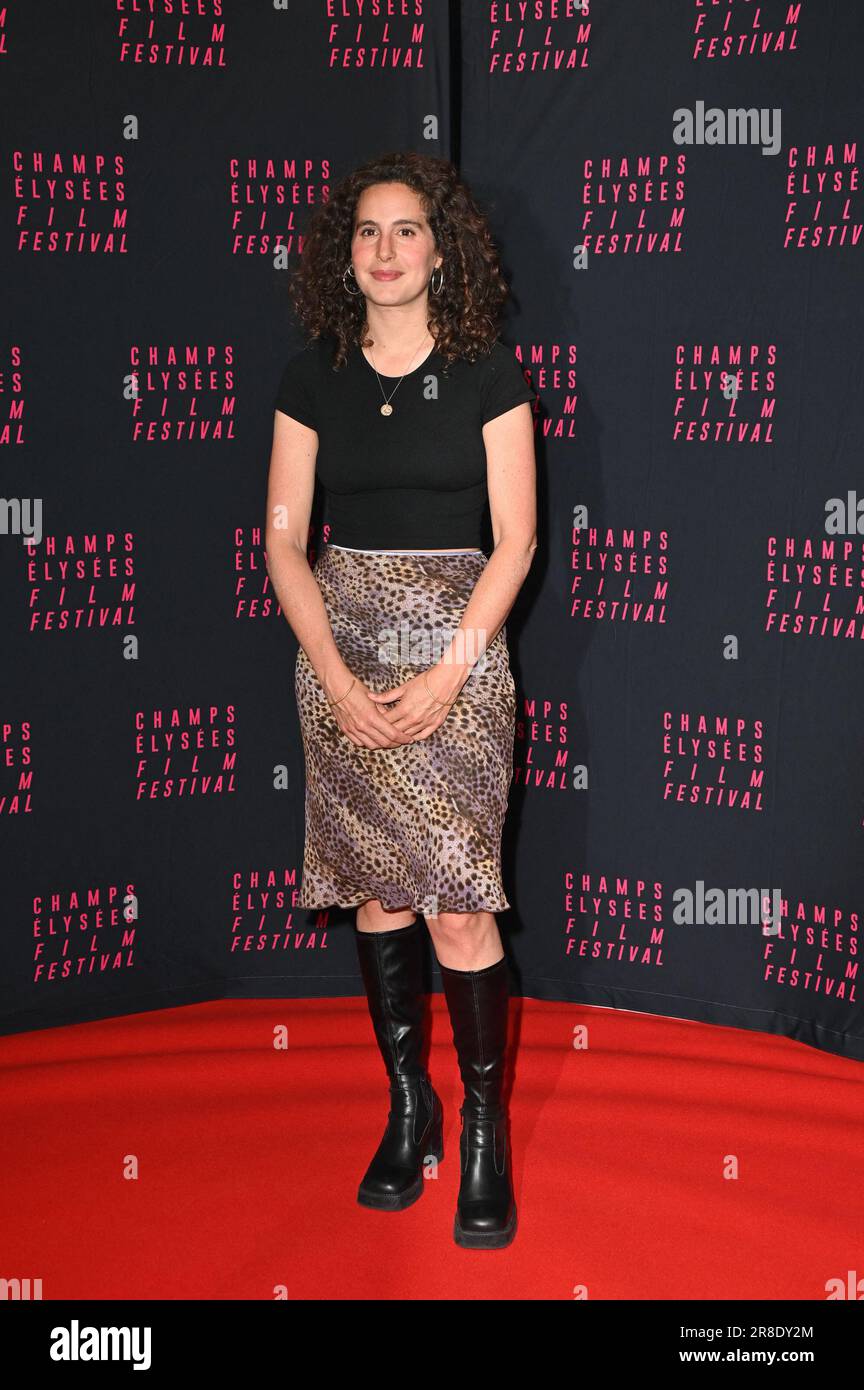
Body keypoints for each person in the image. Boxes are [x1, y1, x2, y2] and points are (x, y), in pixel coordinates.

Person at [265, 150, 537, 1250]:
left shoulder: (487, 373)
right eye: (366, 233)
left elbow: (515, 538)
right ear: (347, 255)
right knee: (379, 893)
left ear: (441, 247)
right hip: (342, 645)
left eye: (406, 230)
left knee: (459, 903)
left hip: (458, 645)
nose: (384, 250)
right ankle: (407, 1105)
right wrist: (336, 679)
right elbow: (285, 545)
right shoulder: (311, 377)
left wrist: (449, 667)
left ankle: (480, 1127)